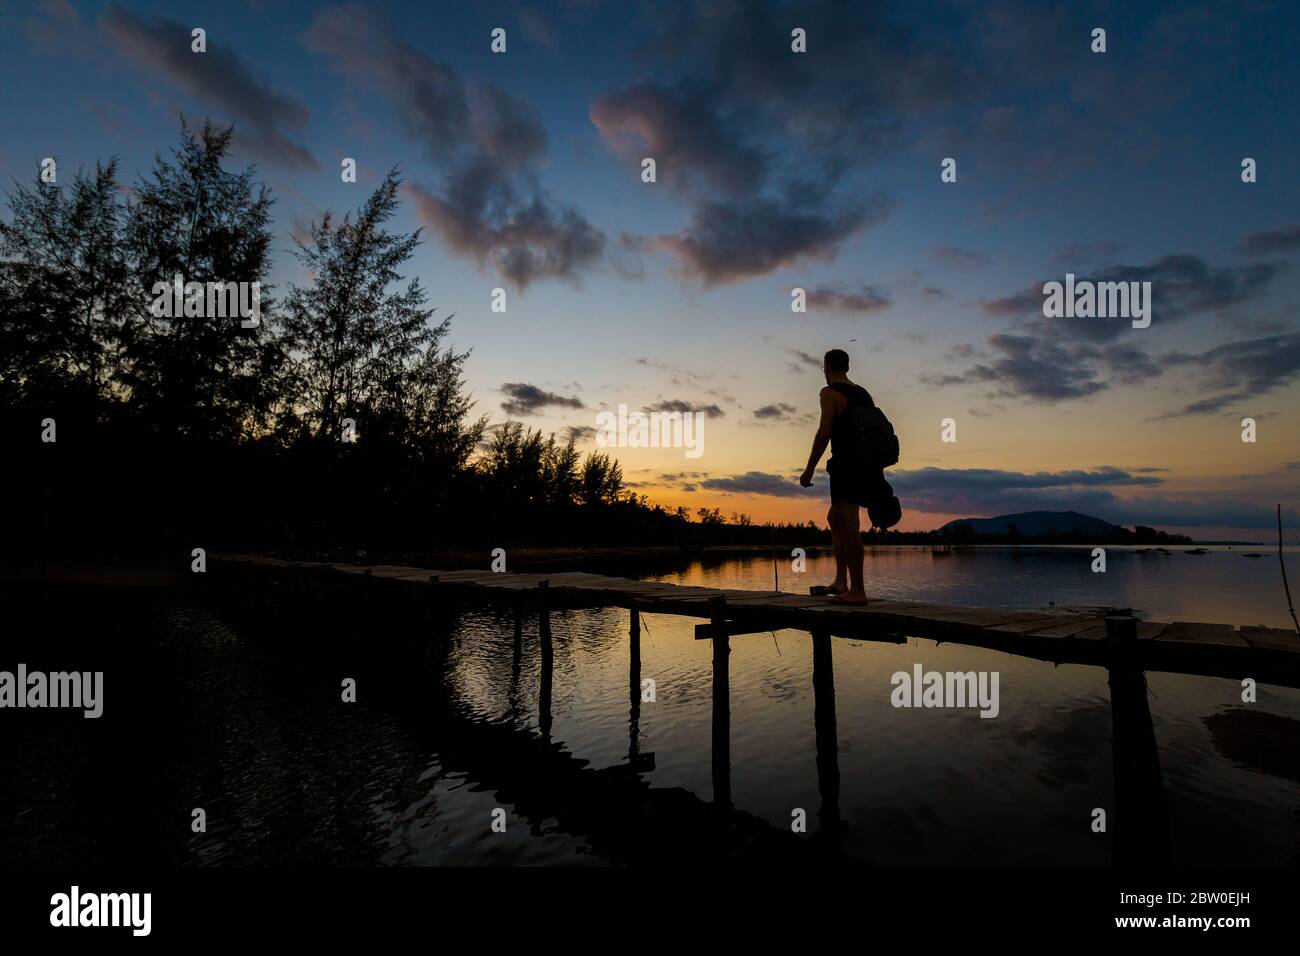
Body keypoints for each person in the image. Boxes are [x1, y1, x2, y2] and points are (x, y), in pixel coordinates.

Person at [798, 348, 884, 604]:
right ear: (847, 366)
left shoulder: (829, 393)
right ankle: (840, 581)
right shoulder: (863, 393)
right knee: (836, 518)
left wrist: (809, 467)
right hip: (866, 465)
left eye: (823, 368)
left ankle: (857, 590)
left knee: (848, 523)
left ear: (827, 366)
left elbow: (824, 433)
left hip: (847, 465)